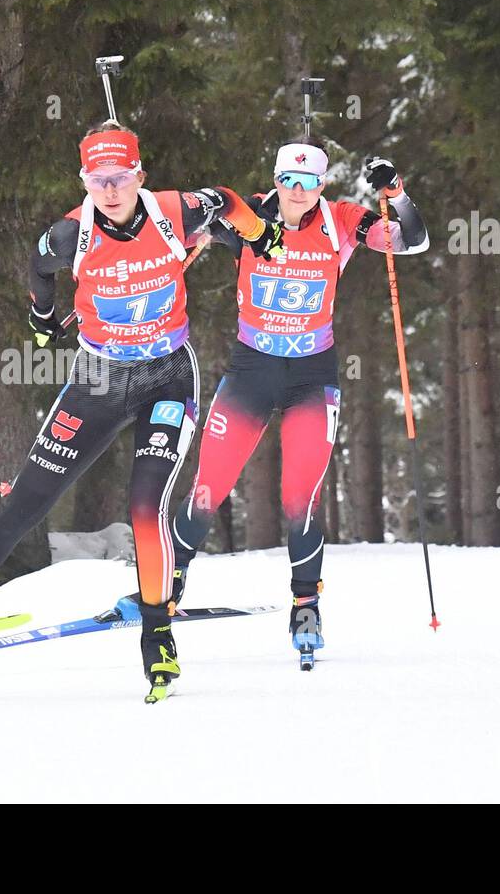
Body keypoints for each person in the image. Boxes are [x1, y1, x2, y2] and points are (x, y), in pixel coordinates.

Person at [0, 122, 282, 700]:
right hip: (97, 378)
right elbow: (38, 270)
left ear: (140, 175)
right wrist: (42, 318)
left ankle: (157, 633)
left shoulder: (177, 212)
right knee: (29, 500)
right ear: (84, 181)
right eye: (96, 180)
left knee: (146, 506)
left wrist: (260, 235)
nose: (109, 190)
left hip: (168, 376)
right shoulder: (69, 236)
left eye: (119, 178)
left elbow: (231, 203)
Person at [168, 142, 428, 663]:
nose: (298, 192)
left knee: (299, 497)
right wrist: (198, 215)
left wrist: (394, 193)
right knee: (208, 487)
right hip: (251, 371)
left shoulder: (340, 221)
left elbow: (411, 242)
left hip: (312, 376)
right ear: (276, 179)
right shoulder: (250, 218)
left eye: (309, 183)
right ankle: (166, 587)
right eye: (289, 180)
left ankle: (305, 604)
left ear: (322, 187)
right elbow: (180, 230)